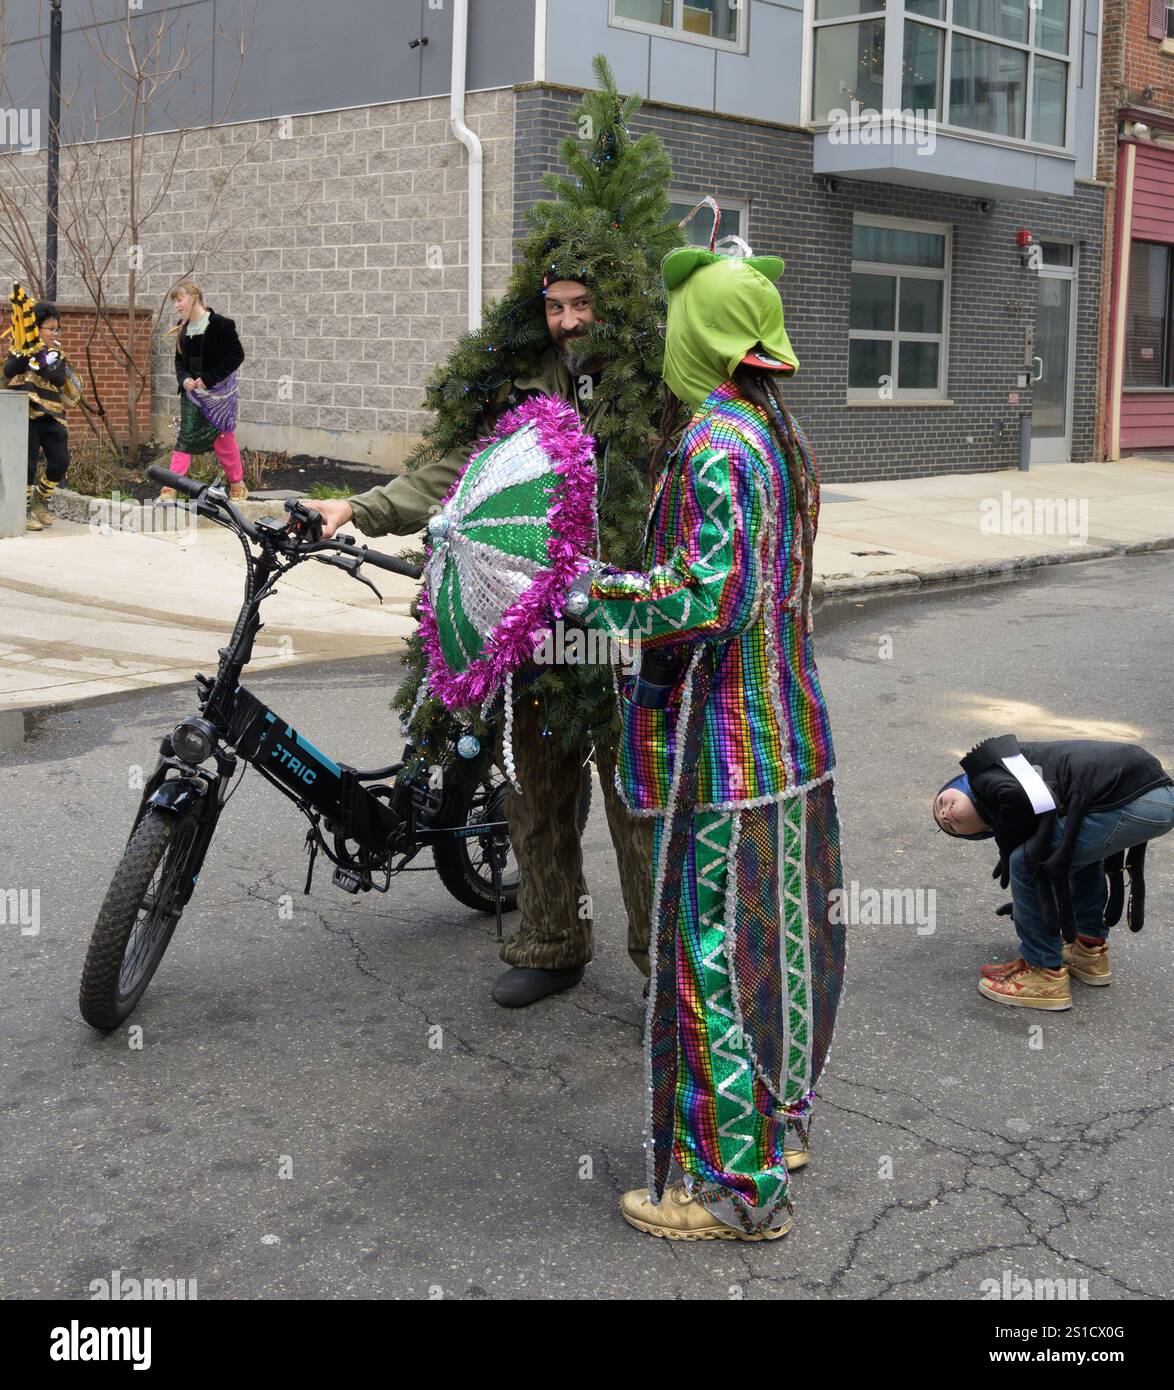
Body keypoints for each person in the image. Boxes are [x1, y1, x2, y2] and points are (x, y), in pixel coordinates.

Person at [302, 59, 677, 1011]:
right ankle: (551, 941)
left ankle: (664, 976)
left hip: (617, 623)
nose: (567, 322)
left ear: (612, 305)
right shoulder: (516, 384)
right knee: (533, 794)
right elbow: (451, 474)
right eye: (554, 307)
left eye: (583, 306)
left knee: (637, 807)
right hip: (532, 623)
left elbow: (680, 497)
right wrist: (362, 507)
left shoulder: (653, 395)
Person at [572, 246, 845, 1240]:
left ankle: (736, 1192)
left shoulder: (714, 442)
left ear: (699, 338)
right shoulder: (780, 434)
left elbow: (708, 594)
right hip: (793, 736)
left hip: (732, 754)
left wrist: (589, 587)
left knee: (712, 960)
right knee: (783, 947)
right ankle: (778, 1123)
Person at [934, 734, 1174, 1010]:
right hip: (1156, 795)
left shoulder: (984, 776)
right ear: (981, 832)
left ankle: (1043, 974)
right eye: (950, 828)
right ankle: (1088, 950)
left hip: (1131, 795)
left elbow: (1031, 851)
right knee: (1069, 854)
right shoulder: (1011, 774)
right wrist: (1032, 905)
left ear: (959, 786)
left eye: (942, 803)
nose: (945, 815)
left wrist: (1033, 888)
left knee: (1026, 862)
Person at [161, 282, 247, 502]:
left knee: (223, 438)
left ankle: (237, 484)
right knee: (185, 438)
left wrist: (209, 379)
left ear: (194, 297)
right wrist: (185, 379)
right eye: (175, 301)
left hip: (219, 395)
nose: (177, 306)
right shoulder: (182, 327)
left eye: (180, 300)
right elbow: (180, 362)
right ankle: (170, 488)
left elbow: (236, 356)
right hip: (192, 396)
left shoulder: (221, 325)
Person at [4, 301, 80, 532]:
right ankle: (23, 509)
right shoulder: (18, 347)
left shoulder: (56, 353)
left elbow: (57, 379)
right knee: (27, 465)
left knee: (60, 461)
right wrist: (26, 354)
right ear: (36, 328)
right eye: (50, 328)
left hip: (51, 413)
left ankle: (40, 499)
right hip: (24, 413)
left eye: (57, 329)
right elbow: (9, 371)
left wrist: (40, 360)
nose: (55, 333)